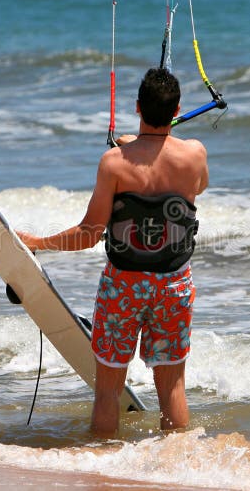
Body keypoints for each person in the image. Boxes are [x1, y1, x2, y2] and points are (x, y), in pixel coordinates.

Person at [16, 67, 208, 437]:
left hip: (123, 287)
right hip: (174, 285)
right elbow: (198, 186)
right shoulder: (195, 155)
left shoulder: (114, 163)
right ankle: (180, 467)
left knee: (108, 391)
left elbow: (89, 234)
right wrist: (144, 145)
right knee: (172, 387)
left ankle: (102, 466)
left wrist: (38, 243)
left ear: (138, 107)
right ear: (178, 109)